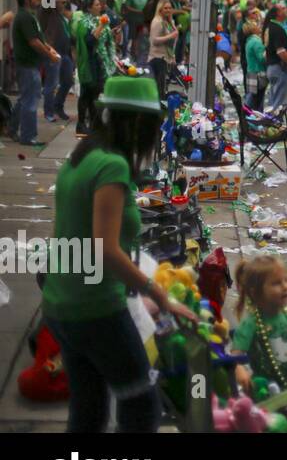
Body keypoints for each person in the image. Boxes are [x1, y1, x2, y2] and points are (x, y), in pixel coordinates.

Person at [42, 75, 197, 431]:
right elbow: (106, 250)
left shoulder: (84, 155)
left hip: (62, 302)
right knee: (141, 402)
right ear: (138, 123)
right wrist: (158, 293)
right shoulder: (112, 165)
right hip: (94, 307)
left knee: (89, 408)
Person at [231, 255, 287, 430]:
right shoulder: (251, 323)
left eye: (286, 280)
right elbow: (234, 356)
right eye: (276, 283)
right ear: (255, 291)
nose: (285, 286)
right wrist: (239, 370)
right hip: (269, 388)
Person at [12, 0, 60, 147]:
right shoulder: (25, 17)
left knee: (24, 99)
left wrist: (49, 48)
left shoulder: (29, 16)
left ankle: (12, 128)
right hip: (27, 65)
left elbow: (39, 38)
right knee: (30, 102)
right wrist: (49, 55)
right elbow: (33, 42)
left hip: (30, 65)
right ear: (26, 0)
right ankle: (28, 136)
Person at [73, 0, 115, 136]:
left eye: (100, 5)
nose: (99, 7)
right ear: (89, 7)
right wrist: (101, 26)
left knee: (95, 94)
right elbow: (90, 42)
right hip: (89, 62)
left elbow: (105, 40)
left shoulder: (100, 20)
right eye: (96, 5)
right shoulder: (84, 22)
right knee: (86, 94)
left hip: (99, 62)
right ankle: (81, 124)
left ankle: (93, 124)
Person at [41, 0, 74, 123]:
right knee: (52, 84)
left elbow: (66, 35)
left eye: (66, 2)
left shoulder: (61, 17)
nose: (65, 4)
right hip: (54, 52)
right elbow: (47, 4)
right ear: (54, 3)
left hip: (65, 54)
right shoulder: (50, 14)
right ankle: (48, 112)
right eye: (62, 2)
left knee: (68, 81)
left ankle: (57, 106)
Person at [263, 2, 287, 111]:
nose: (286, 9)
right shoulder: (276, 28)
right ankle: (275, 124)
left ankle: (271, 124)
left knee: (274, 100)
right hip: (279, 69)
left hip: (274, 68)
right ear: (278, 13)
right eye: (283, 8)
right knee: (279, 103)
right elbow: (281, 52)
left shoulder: (272, 26)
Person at [148, 0, 179, 88]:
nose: (168, 10)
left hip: (166, 59)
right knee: (159, 88)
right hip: (158, 59)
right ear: (160, 9)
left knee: (164, 88)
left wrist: (173, 56)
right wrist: (170, 36)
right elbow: (154, 40)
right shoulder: (157, 21)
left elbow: (173, 40)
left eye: (170, 8)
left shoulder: (167, 21)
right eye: (165, 8)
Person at [243, 12, 267, 111]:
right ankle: (247, 114)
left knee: (252, 95)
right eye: (257, 25)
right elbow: (262, 58)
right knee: (256, 98)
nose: (259, 27)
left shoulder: (249, 41)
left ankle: (248, 115)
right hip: (258, 73)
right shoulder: (256, 42)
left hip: (251, 71)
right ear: (253, 29)